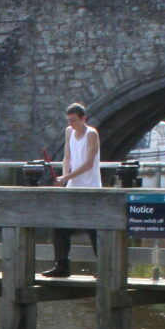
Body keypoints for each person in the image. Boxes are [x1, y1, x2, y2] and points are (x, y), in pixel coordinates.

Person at [42, 102, 101, 278]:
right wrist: (64, 177)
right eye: (69, 121)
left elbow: (89, 163)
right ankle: (62, 265)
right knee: (60, 226)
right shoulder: (69, 132)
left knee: (95, 229)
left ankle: (105, 267)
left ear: (84, 119)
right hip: (73, 187)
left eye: (74, 120)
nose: (71, 124)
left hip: (90, 188)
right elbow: (67, 157)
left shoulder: (91, 134)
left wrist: (67, 177)